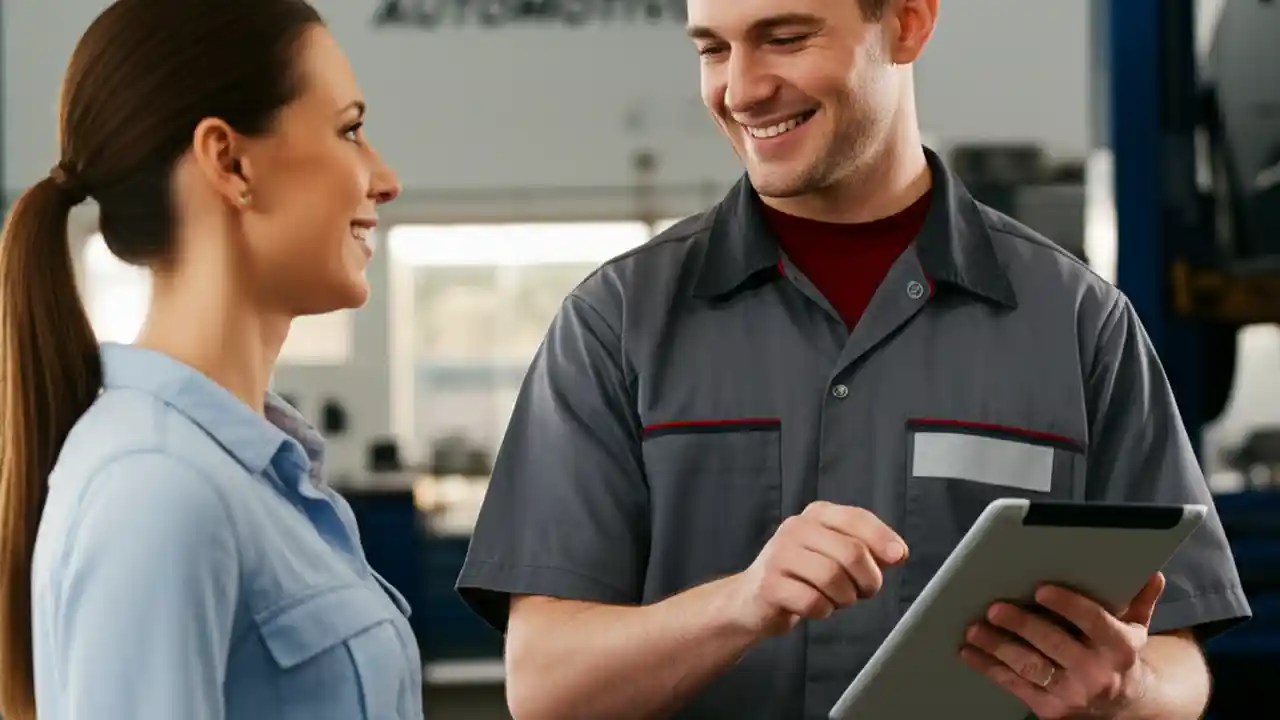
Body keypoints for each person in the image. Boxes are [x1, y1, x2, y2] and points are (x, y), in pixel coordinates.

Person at [456, 0, 1251, 718]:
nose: (740, 89)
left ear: (907, 24)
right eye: (713, 49)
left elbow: (1177, 655)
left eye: (785, 38)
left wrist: (1128, 690)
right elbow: (544, 684)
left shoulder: (1078, 323)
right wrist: (739, 605)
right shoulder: (617, 323)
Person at [0, 1, 420, 718]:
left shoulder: (250, 475)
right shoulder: (157, 488)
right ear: (229, 162)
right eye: (349, 130)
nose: (384, 177)